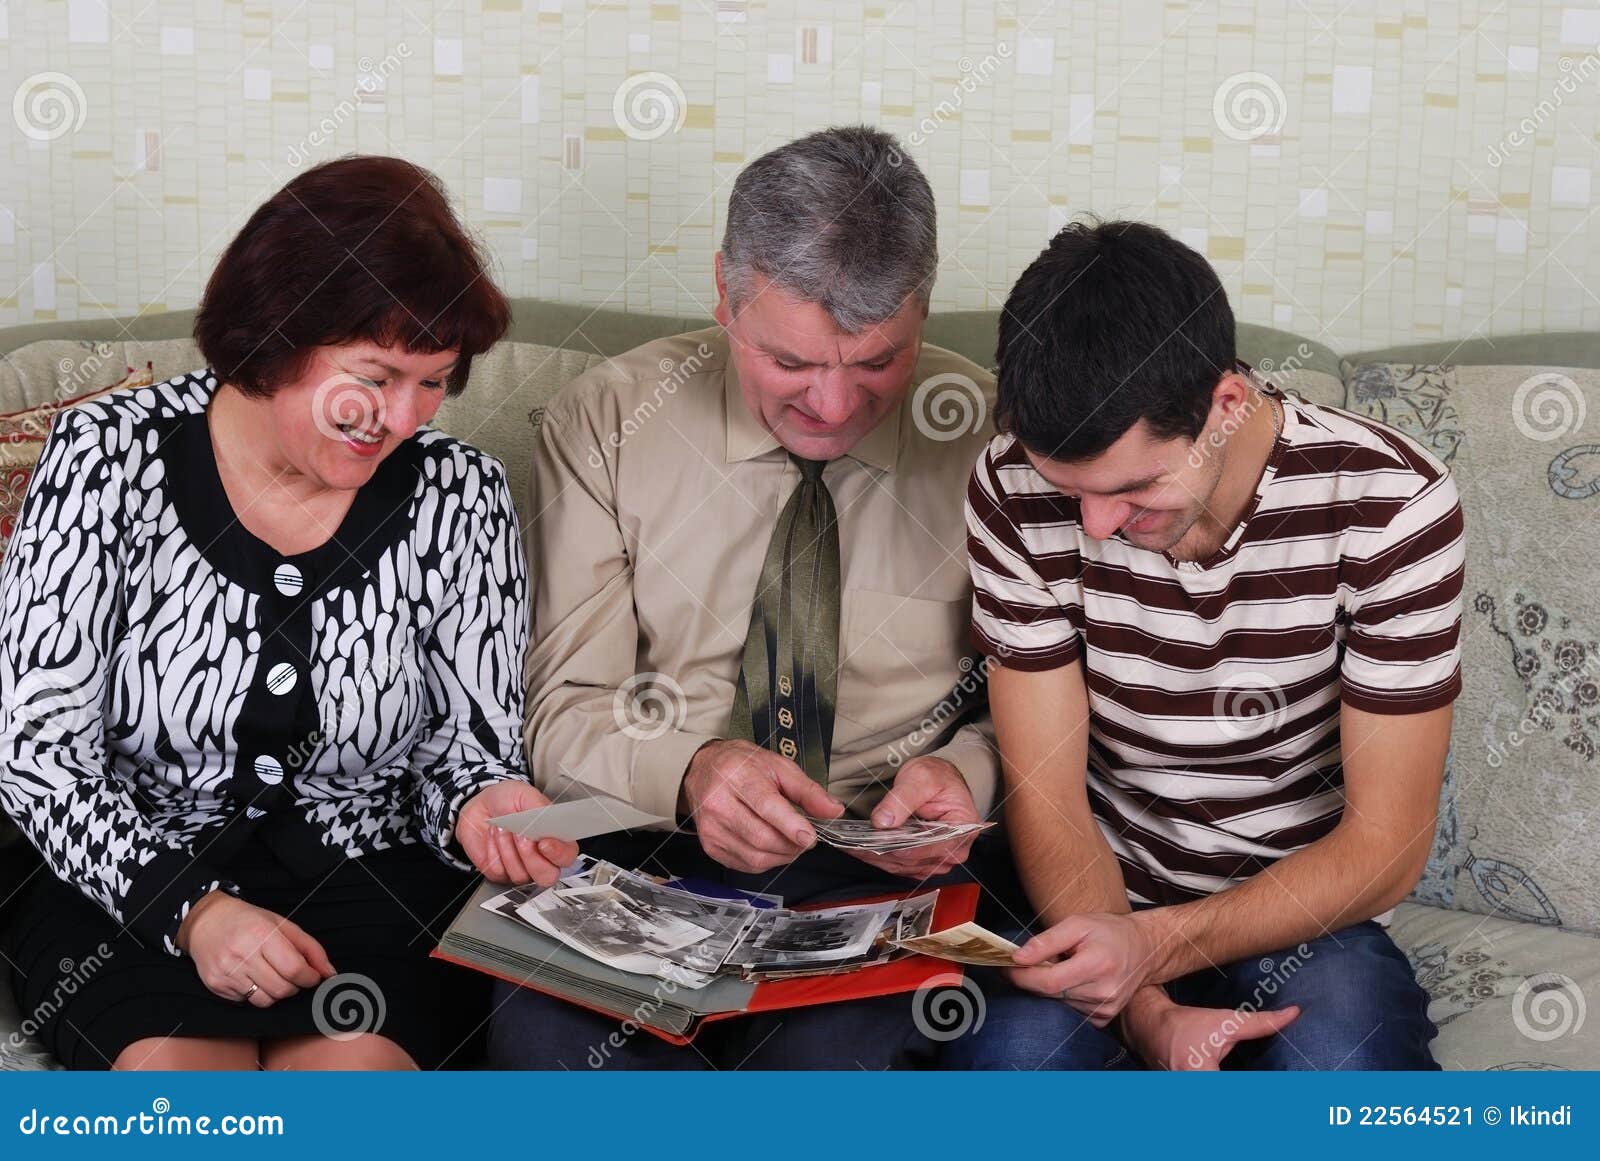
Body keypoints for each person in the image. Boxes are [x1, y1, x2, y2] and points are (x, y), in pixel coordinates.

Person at [489, 126, 1063, 1069]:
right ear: (724, 291)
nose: (832, 406)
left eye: (878, 362)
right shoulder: (605, 421)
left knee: (842, 1069)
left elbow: (1048, 693)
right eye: (791, 363)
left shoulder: (996, 443)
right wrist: (691, 772)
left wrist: (970, 769)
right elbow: (559, 716)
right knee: (548, 1054)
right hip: (649, 851)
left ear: (921, 309)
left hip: (887, 872)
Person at [0, 155, 577, 1071]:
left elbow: (462, 751)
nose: (400, 419)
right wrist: (192, 911)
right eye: (376, 375)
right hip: (128, 884)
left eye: (433, 382)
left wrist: (482, 803)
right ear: (277, 334)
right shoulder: (104, 457)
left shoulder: (461, 493)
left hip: (374, 884)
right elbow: (39, 756)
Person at [962, 218, 1462, 1069]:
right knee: (1013, 1071)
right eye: (1068, 489)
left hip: (1305, 915)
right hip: (1094, 901)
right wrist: (1143, 1005)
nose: (1096, 525)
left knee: (1342, 1065)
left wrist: (1151, 951)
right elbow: (1047, 795)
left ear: (1225, 407)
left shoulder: (1391, 503)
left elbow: (1387, 846)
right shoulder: (1010, 489)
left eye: (1135, 488)